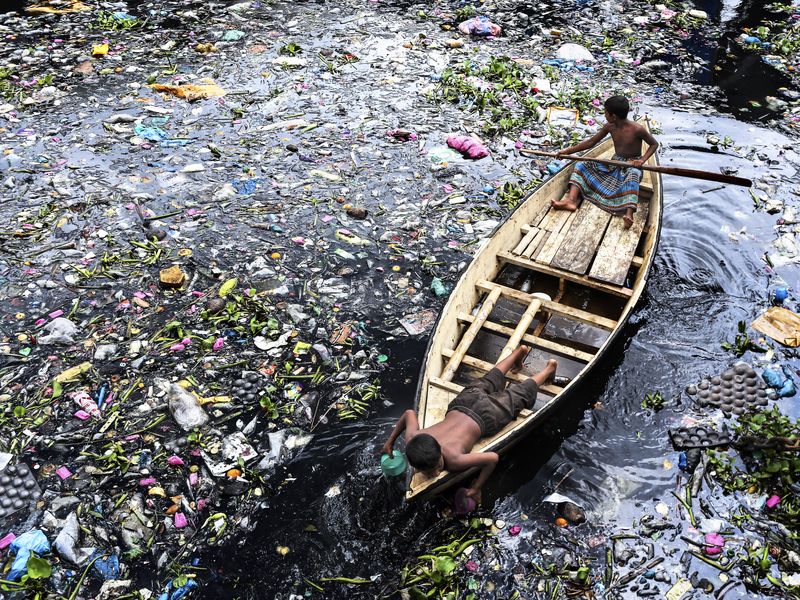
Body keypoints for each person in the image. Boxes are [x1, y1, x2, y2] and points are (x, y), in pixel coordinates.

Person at [381, 346, 557, 504]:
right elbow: (409, 414)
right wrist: (389, 442)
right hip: (465, 401)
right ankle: (519, 352)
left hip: (488, 416)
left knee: (519, 394)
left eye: (438, 467)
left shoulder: (454, 460)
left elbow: (492, 459)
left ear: (440, 453)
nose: (436, 474)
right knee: (490, 379)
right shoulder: (413, 437)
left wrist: (477, 487)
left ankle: (549, 368)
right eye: (428, 473)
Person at [551, 95, 659, 229]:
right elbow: (591, 142)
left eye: (606, 113)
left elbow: (654, 144)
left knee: (634, 174)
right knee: (582, 164)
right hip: (615, 163)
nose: (604, 115)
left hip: (631, 165)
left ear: (613, 116)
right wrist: (568, 151)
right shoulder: (610, 127)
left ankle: (629, 214)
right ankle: (571, 201)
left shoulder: (637, 129)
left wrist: (642, 160)